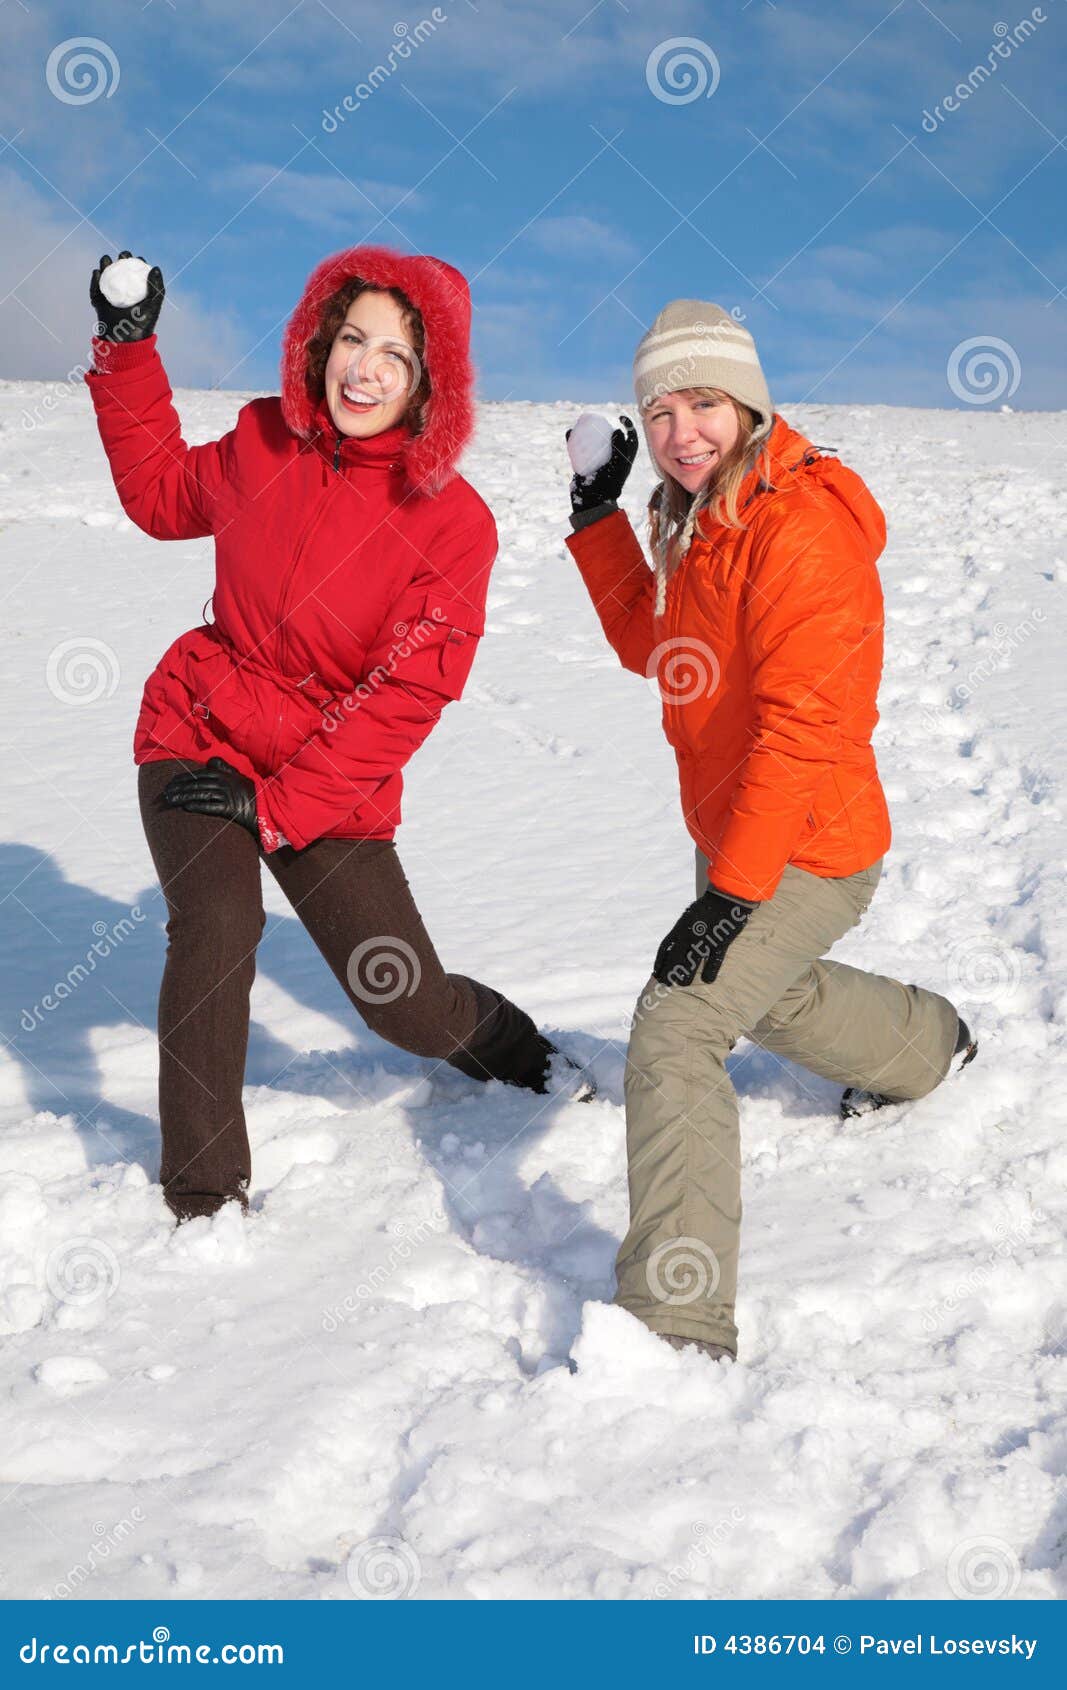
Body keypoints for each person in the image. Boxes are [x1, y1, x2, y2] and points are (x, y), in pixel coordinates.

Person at [86, 243, 582, 1225]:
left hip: (331, 774)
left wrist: (277, 809)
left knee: (402, 1003)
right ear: (318, 344)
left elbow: (402, 700)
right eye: (351, 338)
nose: (364, 367)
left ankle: (520, 1051)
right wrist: (126, 348)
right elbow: (157, 495)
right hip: (200, 728)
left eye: (395, 354)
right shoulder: (261, 443)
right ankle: (204, 1195)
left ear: (430, 381)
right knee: (217, 931)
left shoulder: (452, 525)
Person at [562, 300, 978, 1365]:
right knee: (764, 990)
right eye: (657, 412)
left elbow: (803, 728)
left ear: (746, 404)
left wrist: (732, 894)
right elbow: (655, 650)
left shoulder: (798, 530)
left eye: (700, 402)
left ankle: (676, 1317)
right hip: (741, 829)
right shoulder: (699, 519)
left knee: (678, 1027)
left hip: (807, 842)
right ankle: (926, 1045)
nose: (678, 432)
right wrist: (594, 514)